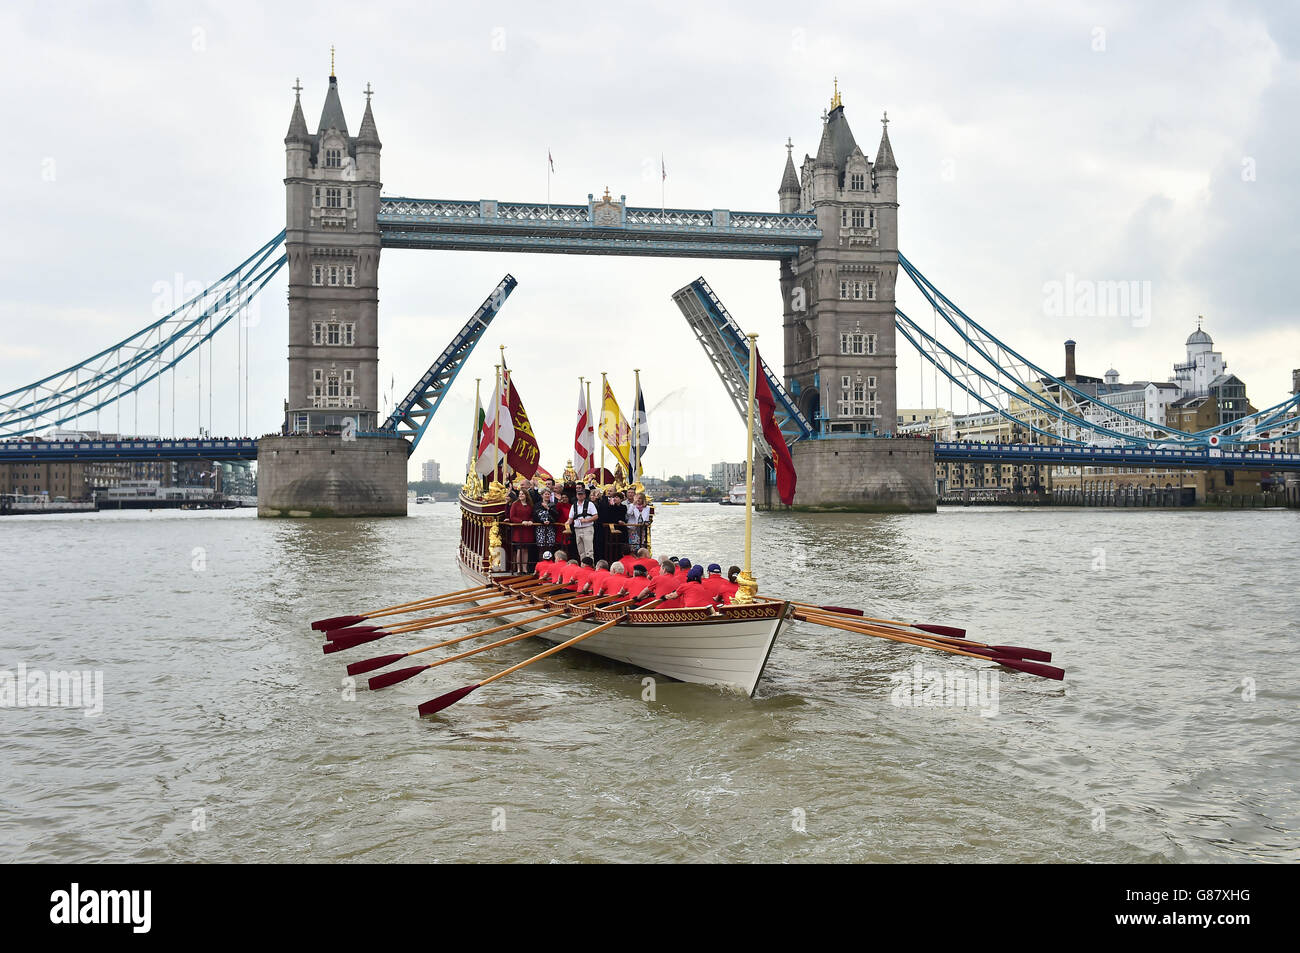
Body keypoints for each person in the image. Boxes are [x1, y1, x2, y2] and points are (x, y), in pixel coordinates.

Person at [568, 485, 599, 561]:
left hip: (587, 528)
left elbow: (596, 516)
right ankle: (583, 565)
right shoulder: (574, 505)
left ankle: (590, 565)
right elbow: (570, 518)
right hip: (577, 529)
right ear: (576, 495)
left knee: (589, 549)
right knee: (581, 550)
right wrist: (566, 524)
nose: (580, 496)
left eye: (582, 494)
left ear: (585, 495)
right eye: (579, 494)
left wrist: (587, 520)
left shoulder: (590, 504)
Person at [508, 490, 534, 573]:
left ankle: (525, 568)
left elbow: (532, 515)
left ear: (526, 495)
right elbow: (512, 517)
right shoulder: (515, 504)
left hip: (528, 529)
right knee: (519, 549)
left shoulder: (530, 505)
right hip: (519, 529)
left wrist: (531, 521)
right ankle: (519, 568)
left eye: (522, 494)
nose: (521, 495)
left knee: (526, 549)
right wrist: (521, 521)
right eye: (520, 494)